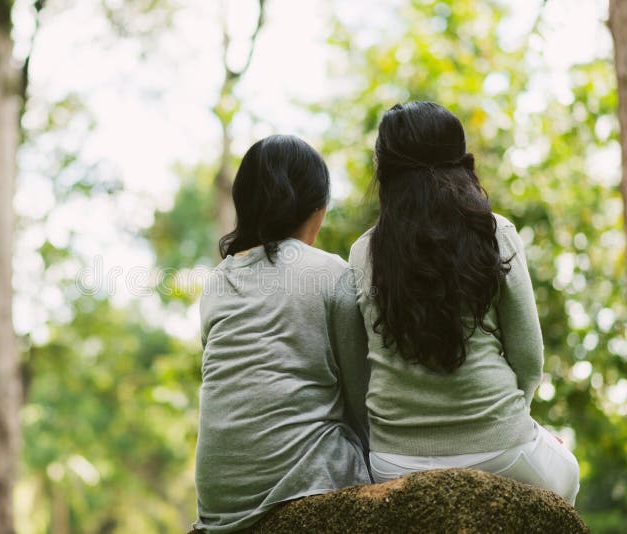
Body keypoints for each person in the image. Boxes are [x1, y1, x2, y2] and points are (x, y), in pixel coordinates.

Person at [348, 101, 580, 505]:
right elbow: (529, 359)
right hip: (502, 451)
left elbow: (360, 371)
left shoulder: (361, 253)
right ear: (461, 162)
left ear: (384, 172)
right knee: (568, 473)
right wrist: (514, 428)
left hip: (393, 460)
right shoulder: (495, 233)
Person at [194, 135, 372, 532]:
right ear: (316, 208)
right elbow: (362, 400)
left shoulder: (215, 284)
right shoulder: (331, 273)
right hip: (300, 485)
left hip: (219, 500)